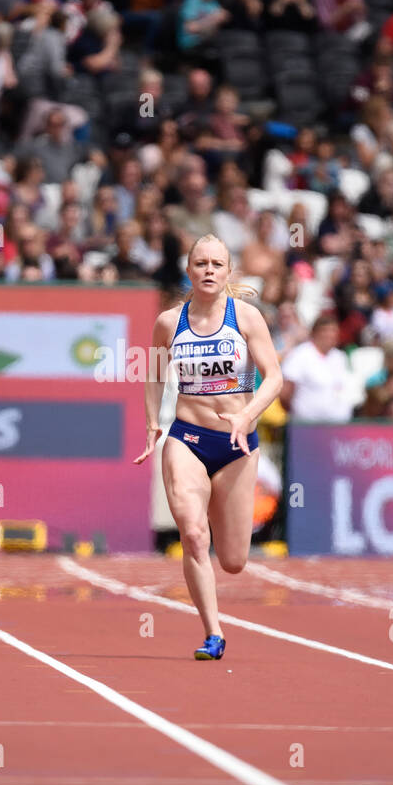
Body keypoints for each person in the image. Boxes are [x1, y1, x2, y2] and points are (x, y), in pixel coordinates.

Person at [135, 234, 281, 661]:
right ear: (189, 270)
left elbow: (274, 377)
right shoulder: (169, 323)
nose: (209, 271)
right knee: (194, 534)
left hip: (237, 445)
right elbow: (154, 375)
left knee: (233, 560)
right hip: (187, 439)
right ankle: (213, 633)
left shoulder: (246, 317)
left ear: (228, 271)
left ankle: (223, 537)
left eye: (217, 264)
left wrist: (246, 414)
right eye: (201, 263)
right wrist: (152, 422)